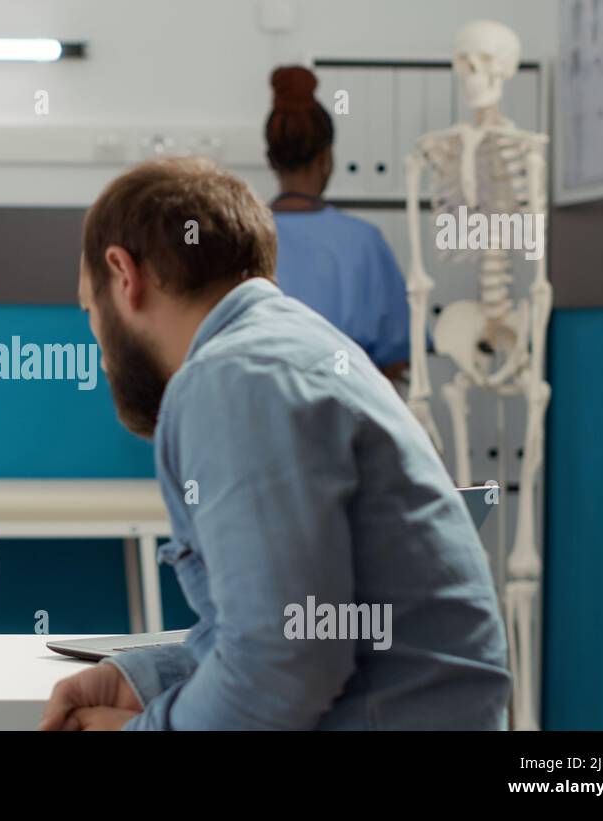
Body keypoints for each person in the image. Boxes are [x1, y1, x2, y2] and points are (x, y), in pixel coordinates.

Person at [40, 156, 510, 730]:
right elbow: (294, 629)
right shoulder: (298, 348)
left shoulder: (234, 377)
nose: (102, 348)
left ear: (123, 275)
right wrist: (143, 679)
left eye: (91, 308)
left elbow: (278, 670)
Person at [266, 65, 412, 382]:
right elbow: (396, 357)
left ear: (271, 159)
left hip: (256, 419)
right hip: (345, 416)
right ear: (327, 158)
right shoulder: (363, 242)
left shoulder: (236, 239)